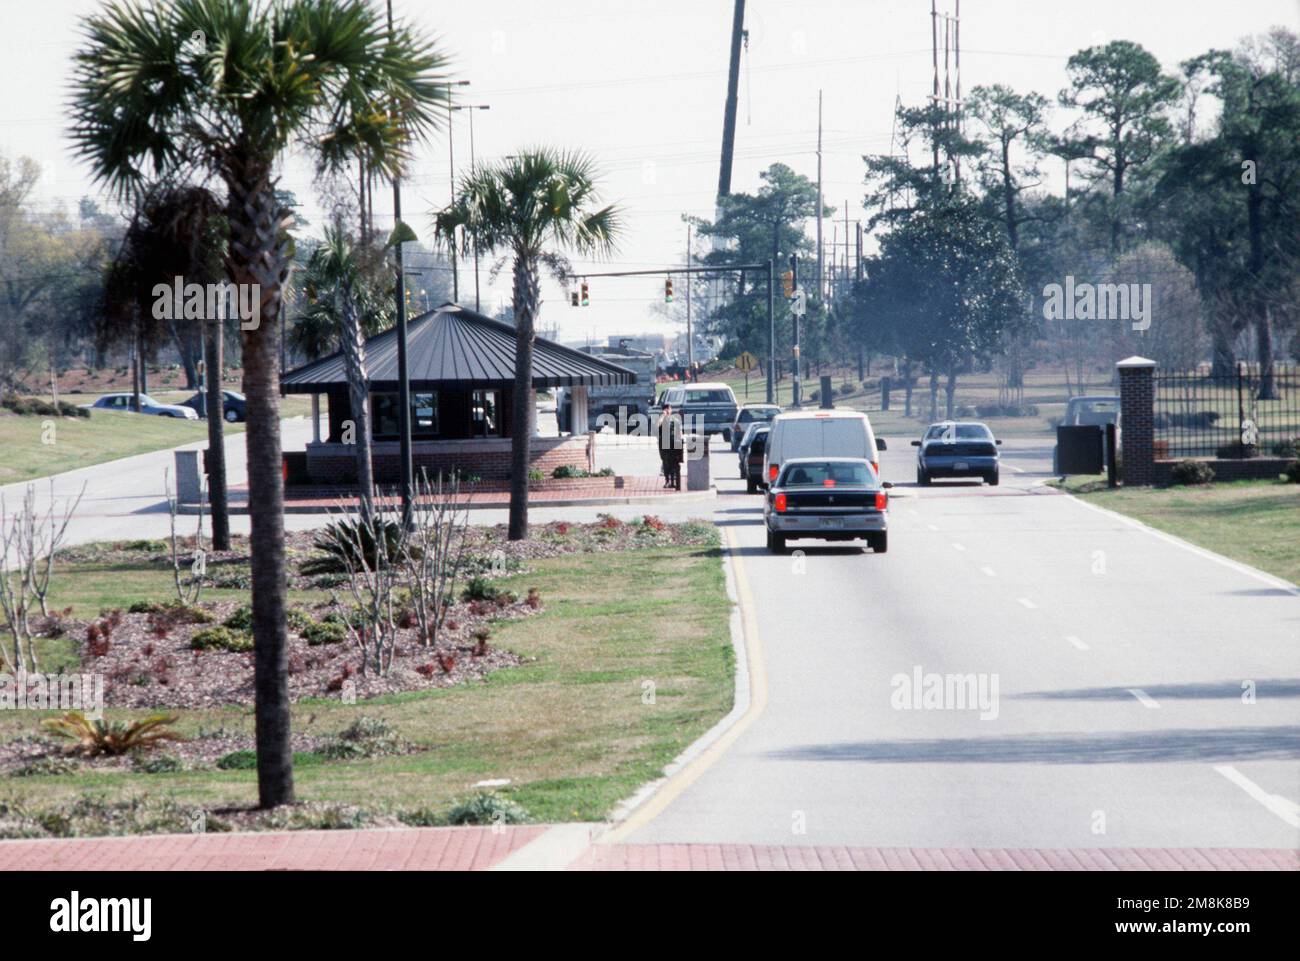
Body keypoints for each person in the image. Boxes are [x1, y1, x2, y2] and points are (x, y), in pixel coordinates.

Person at [657, 402, 683, 490]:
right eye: (666, 408)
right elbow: (657, 425)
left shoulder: (675, 420)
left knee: (673, 463)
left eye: (669, 408)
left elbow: (679, 432)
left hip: (673, 444)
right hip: (663, 444)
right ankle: (667, 481)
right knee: (665, 462)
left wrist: (680, 441)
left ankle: (673, 482)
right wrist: (663, 416)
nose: (668, 410)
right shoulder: (661, 419)